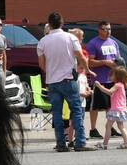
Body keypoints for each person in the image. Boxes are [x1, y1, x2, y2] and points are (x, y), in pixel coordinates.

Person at [36, 11, 88, 152]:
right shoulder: (70, 38)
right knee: (76, 111)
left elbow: (42, 65)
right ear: (62, 23)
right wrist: (86, 68)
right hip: (69, 79)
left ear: (49, 24)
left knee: (57, 113)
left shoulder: (42, 42)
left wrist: (52, 70)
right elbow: (80, 57)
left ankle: (61, 143)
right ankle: (80, 142)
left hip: (52, 81)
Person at [84, 21, 123, 139]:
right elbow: (89, 62)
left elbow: (118, 60)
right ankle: (93, 129)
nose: (108, 31)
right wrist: (104, 62)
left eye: (110, 29)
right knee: (95, 106)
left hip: (112, 79)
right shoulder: (93, 43)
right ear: (99, 30)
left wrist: (118, 66)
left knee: (110, 106)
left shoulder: (114, 43)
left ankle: (110, 127)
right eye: (106, 29)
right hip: (98, 79)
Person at [96, 66, 127, 149]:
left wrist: (99, 86)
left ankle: (105, 144)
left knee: (108, 126)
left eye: (112, 75)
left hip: (115, 109)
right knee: (121, 126)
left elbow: (109, 92)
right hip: (121, 109)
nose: (110, 77)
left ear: (117, 76)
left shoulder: (117, 85)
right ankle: (126, 143)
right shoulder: (122, 85)